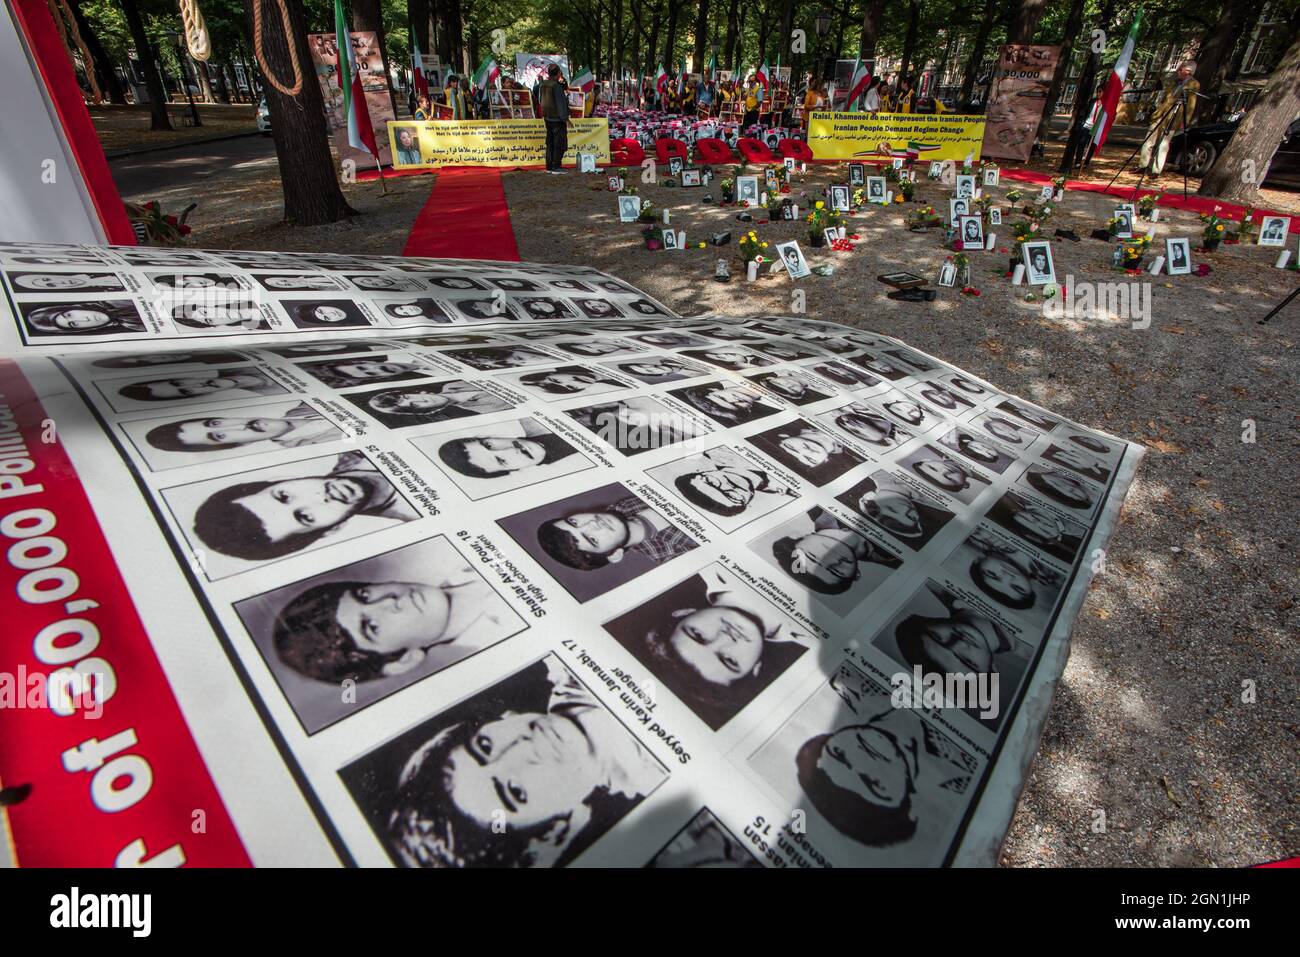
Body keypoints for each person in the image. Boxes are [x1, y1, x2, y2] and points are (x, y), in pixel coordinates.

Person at [383, 657, 661, 867]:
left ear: (503, 717)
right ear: (560, 828)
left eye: (484, 746)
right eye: (515, 791)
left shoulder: (563, 663)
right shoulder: (659, 771)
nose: (521, 750)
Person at [795, 667, 972, 848]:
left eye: (839, 755)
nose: (862, 759)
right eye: (874, 783)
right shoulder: (965, 770)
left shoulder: (848, 680)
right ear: (907, 802)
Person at [273, 564, 514, 683]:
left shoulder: (456, 563)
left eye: (364, 596)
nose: (390, 601)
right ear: (403, 660)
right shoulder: (506, 644)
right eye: (373, 627)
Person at [191, 451, 407, 561]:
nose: (318, 498)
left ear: (284, 478)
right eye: (306, 517)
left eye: (283, 496)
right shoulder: (412, 514)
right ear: (333, 529)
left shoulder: (350, 445)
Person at [537, 494, 695, 569]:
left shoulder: (621, 506)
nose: (592, 523)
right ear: (614, 554)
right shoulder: (673, 555)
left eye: (574, 522)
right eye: (592, 539)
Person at [770, 509, 901, 595]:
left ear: (803, 538)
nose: (834, 560)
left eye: (813, 557)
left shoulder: (817, 506)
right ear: (856, 574)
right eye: (836, 571)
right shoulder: (897, 561)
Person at [145, 402, 338, 452]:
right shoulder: (309, 447)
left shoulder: (302, 406)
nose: (242, 426)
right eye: (220, 436)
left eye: (216, 423)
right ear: (239, 445)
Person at [672, 450, 795, 517]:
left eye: (711, 482)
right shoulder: (789, 489)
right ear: (747, 501)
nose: (728, 486)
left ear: (702, 472)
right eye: (733, 497)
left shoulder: (716, 450)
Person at [437, 422, 577, 479]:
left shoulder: (532, 420)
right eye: (501, 460)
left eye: (490, 445)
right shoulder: (573, 473)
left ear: (489, 436)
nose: (511, 449)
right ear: (512, 470)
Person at [1140, 61, 1198, 175]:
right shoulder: (1174, 82)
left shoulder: (1194, 84)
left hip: (1174, 116)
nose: (1178, 72)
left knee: (1164, 144)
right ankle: (1142, 165)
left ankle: (1156, 170)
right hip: (1161, 113)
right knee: (1149, 139)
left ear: (1188, 72)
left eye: (1181, 70)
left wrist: (1185, 122)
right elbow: (1166, 97)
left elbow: (1191, 105)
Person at [116, 370, 277, 402]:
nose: (199, 385)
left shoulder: (226, 358)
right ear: (199, 396)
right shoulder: (272, 397)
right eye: (186, 391)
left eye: (178, 383)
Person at [24, 302, 144, 335]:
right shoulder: (132, 327)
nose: (84, 320)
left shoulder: (116, 299)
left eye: (69, 315)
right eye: (73, 324)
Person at [539, 64, 571, 174]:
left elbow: (540, 99)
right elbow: (560, 103)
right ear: (558, 73)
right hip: (557, 119)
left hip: (547, 118)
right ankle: (556, 165)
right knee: (559, 143)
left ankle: (549, 165)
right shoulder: (556, 86)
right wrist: (566, 118)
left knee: (550, 142)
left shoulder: (543, 84)